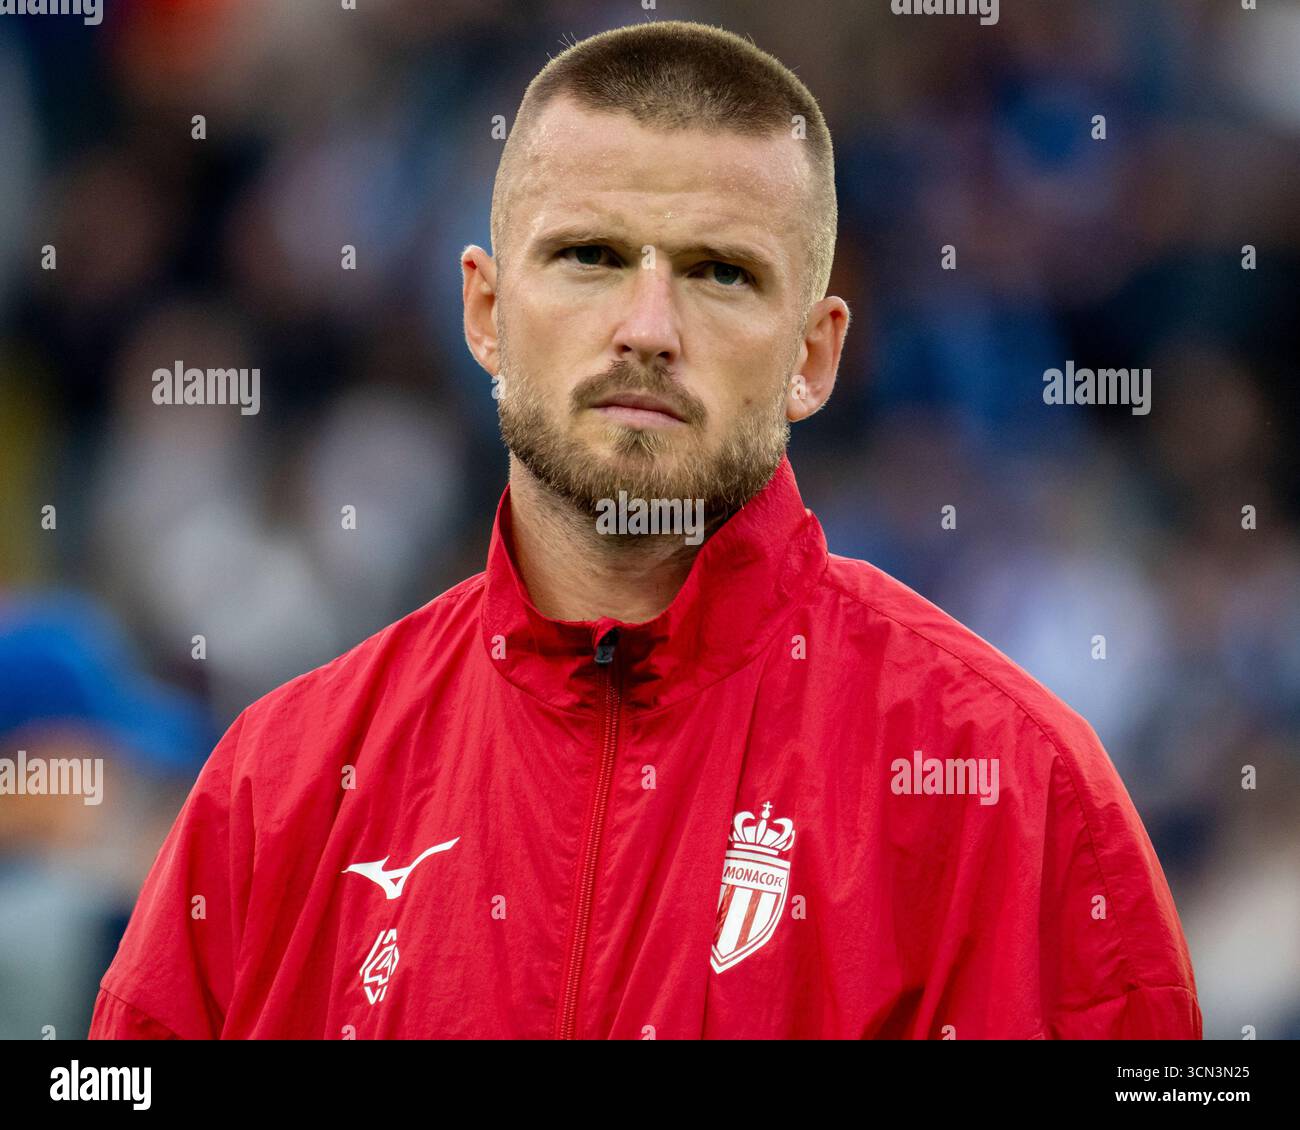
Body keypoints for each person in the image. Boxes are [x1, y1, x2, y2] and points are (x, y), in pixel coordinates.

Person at [89, 19, 1200, 1039]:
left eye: (720, 272)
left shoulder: (1014, 794)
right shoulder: (272, 794)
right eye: (591, 257)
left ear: (813, 353)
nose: (647, 328)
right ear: (483, 310)